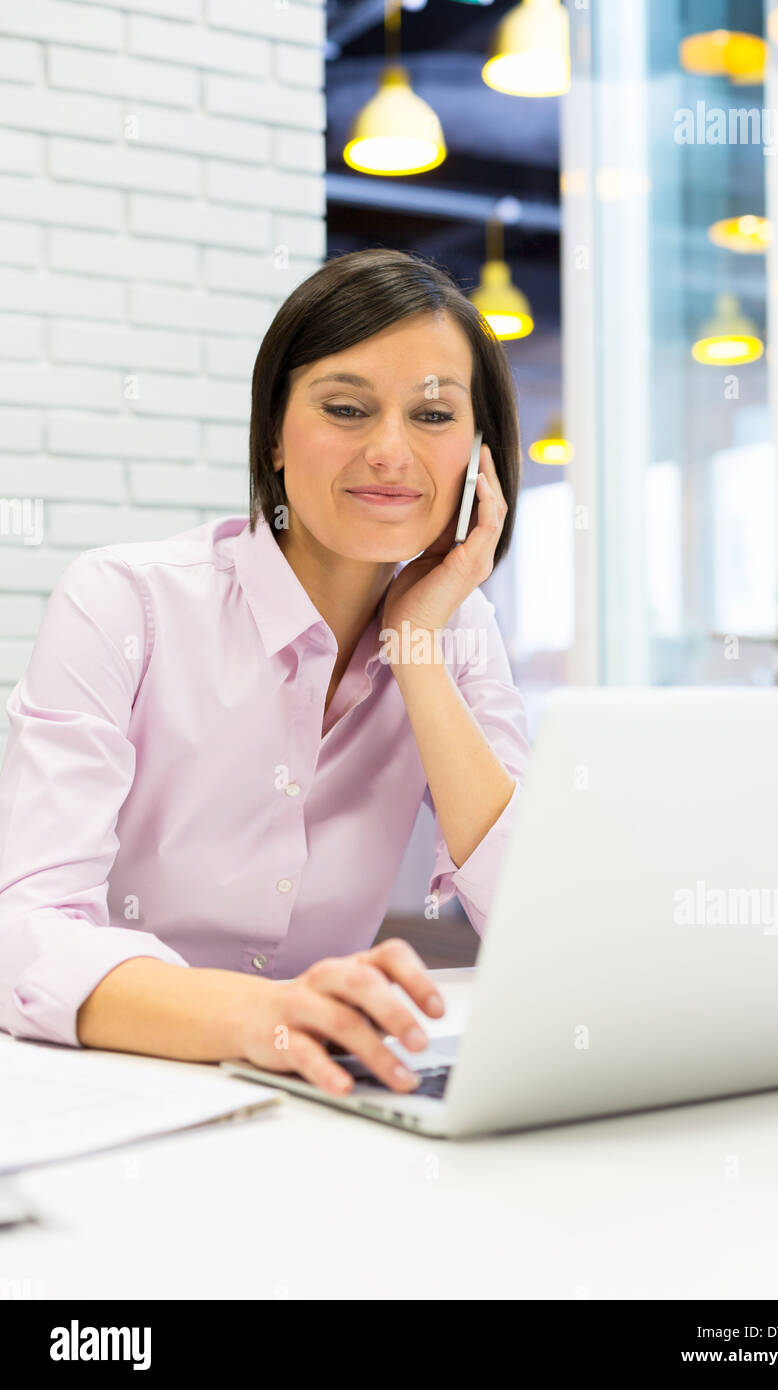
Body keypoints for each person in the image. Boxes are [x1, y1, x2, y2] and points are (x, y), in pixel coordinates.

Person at [0, 247, 530, 1098]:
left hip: (321, 1088)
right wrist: (259, 1015)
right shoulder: (124, 602)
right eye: (347, 409)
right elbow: (26, 931)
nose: (391, 451)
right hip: (112, 1083)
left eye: (434, 417)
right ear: (275, 437)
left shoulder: (456, 630)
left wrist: (418, 649)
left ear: (479, 454)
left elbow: (537, 923)